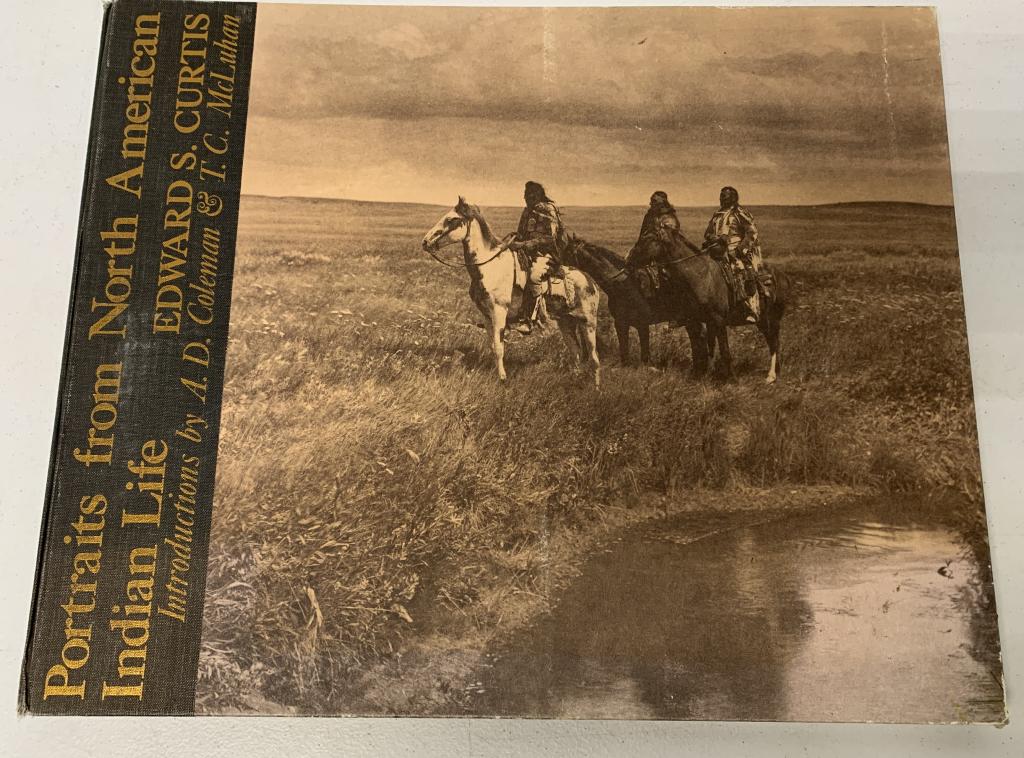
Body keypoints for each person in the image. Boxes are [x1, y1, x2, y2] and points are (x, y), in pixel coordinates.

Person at [507, 181, 567, 334]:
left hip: (548, 254)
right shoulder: (527, 210)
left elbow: (550, 238)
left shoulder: (548, 209)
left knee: (534, 277)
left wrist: (526, 244)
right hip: (527, 253)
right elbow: (521, 232)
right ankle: (508, 317)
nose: (526, 198)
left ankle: (529, 320)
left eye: (530, 195)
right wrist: (513, 240)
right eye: (525, 195)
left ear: (538, 195)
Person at [703, 186, 763, 323]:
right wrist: (712, 238)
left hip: (735, 249)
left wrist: (739, 249)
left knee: (738, 270)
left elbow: (751, 233)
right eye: (721, 195)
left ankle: (748, 308)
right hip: (716, 248)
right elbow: (707, 233)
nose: (722, 198)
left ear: (733, 198)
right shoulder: (717, 214)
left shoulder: (740, 213)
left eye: (725, 196)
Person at [627, 191, 681, 269]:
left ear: (662, 203)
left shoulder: (669, 217)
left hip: (663, 251)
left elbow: (669, 238)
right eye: (651, 200)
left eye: (654, 201)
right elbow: (642, 234)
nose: (650, 203)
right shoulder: (649, 216)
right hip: (645, 246)